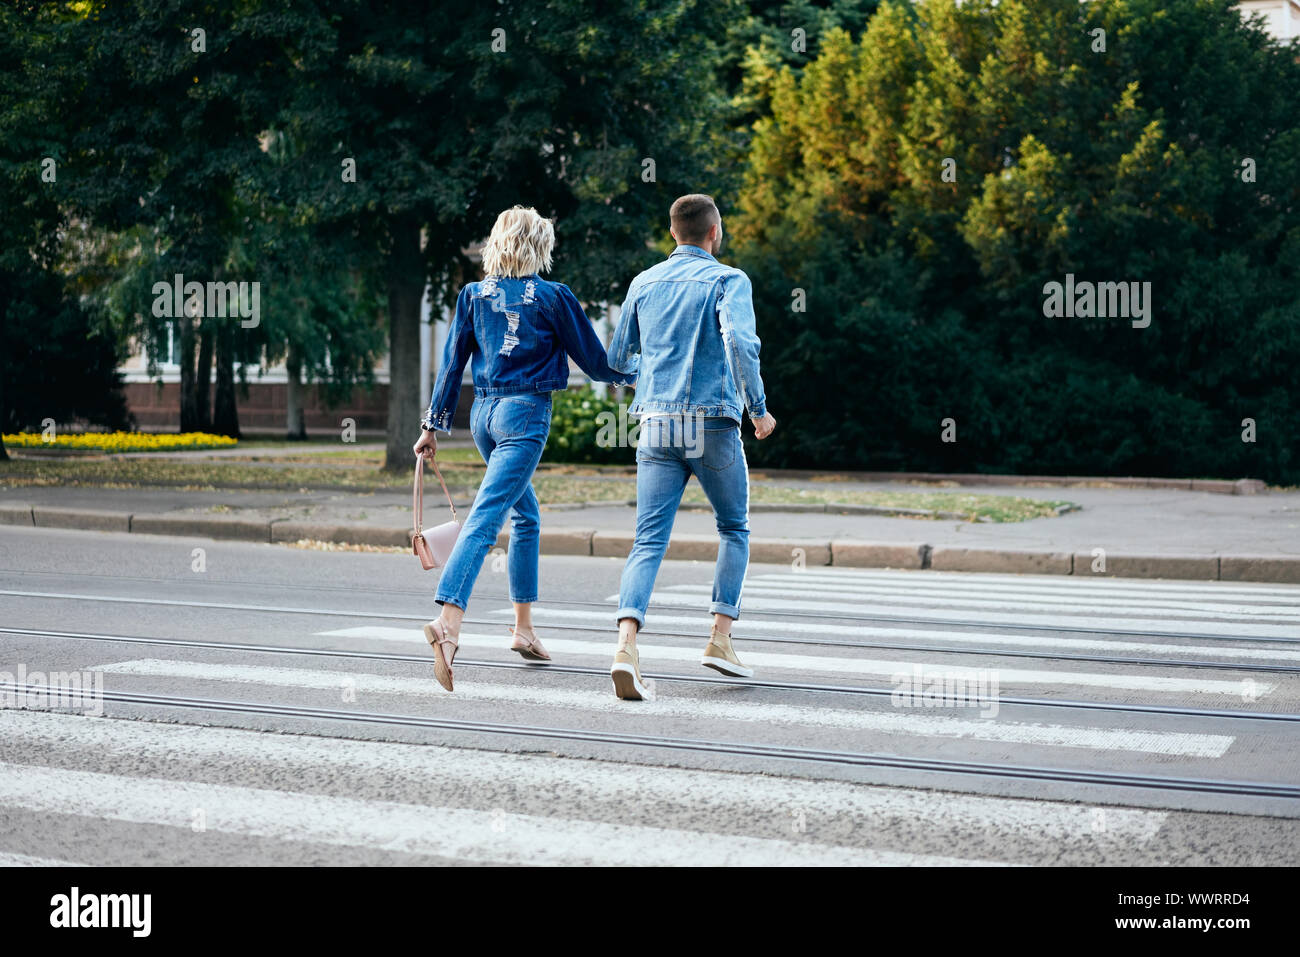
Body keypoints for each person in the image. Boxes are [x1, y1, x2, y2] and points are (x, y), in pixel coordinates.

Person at [414, 205, 634, 692]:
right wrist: (642, 373)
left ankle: (524, 628)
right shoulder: (554, 297)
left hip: (483, 419)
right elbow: (596, 363)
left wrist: (432, 427)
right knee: (485, 519)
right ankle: (448, 625)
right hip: (524, 416)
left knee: (526, 515)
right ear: (540, 247)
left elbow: (452, 366)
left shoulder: (473, 294)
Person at [605, 193, 776, 701]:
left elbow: (618, 360)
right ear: (713, 233)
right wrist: (758, 408)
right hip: (712, 424)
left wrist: (654, 380)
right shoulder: (729, 280)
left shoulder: (644, 282)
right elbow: (741, 344)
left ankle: (625, 650)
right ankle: (719, 640)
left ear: (673, 233)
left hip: (655, 425)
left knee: (648, 541)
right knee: (734, 528)